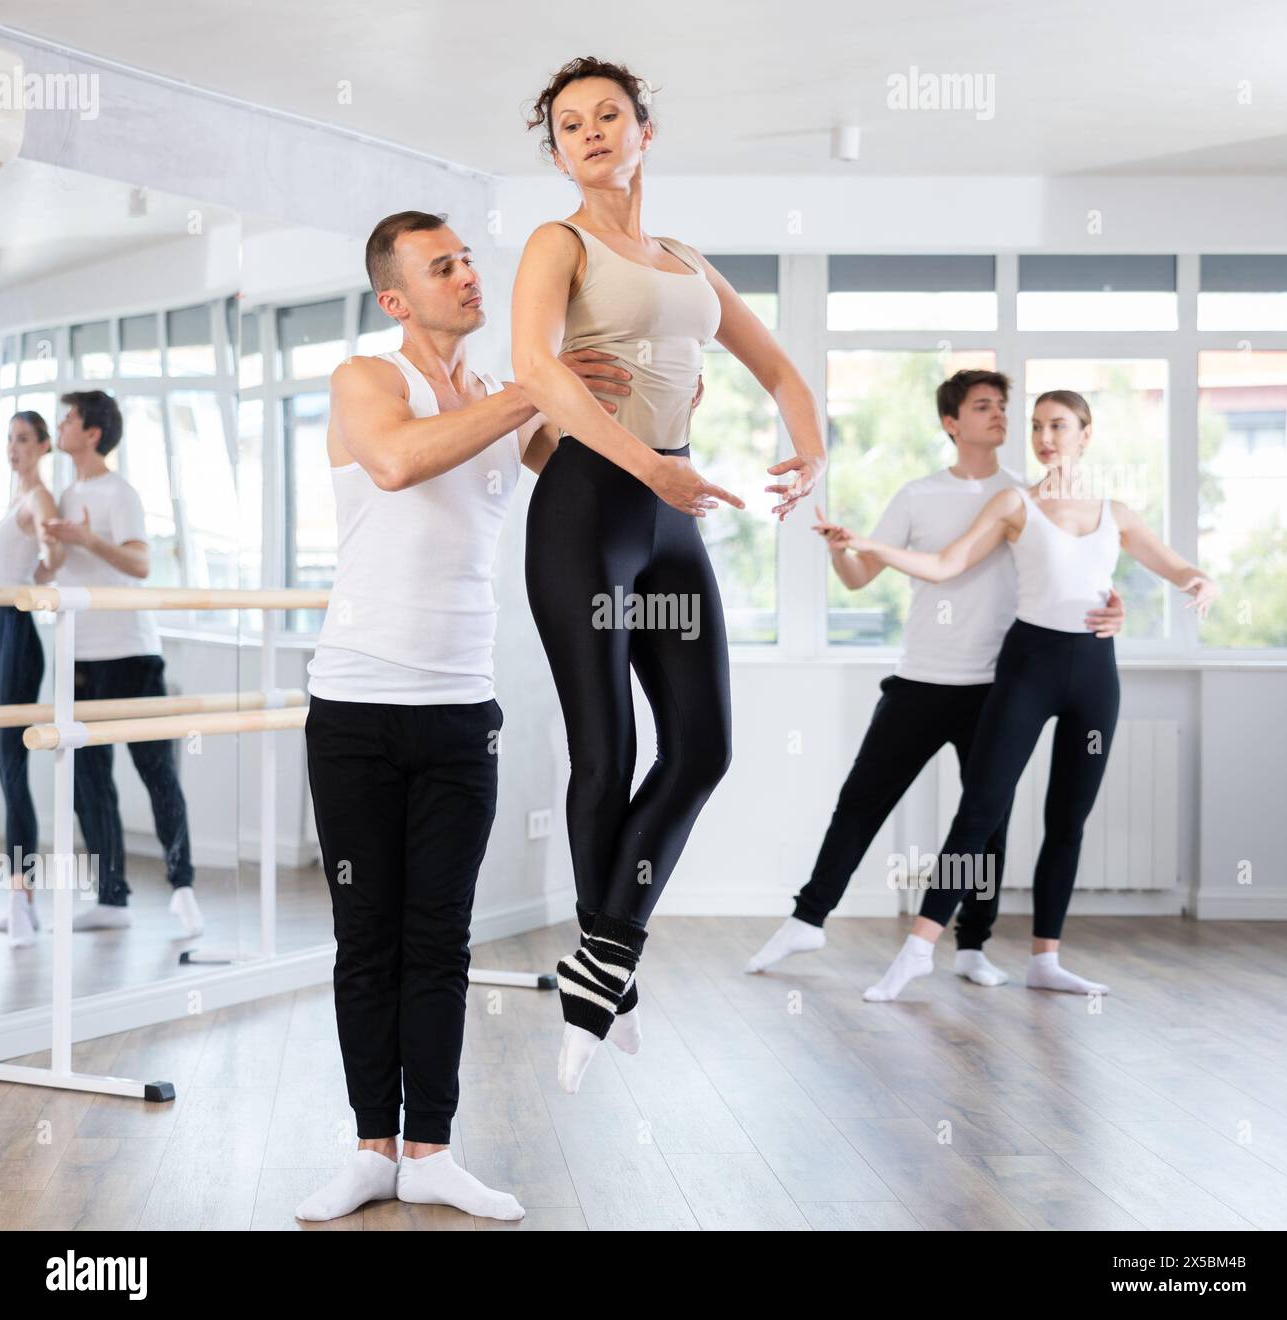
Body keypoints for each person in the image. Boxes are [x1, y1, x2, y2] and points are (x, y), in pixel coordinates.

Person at [296, 209, 657, 1223]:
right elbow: (400, 462)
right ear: (395, 298)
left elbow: (606, 459)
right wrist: (536, 390)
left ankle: (431, 1151)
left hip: (462, 717)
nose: (467, 274)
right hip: (357, 710)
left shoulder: (507, 403)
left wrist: (654, 394)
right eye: (440, 266)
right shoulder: (369, 381)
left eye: (466, 258)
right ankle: (369, 1149)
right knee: (367, 936)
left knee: (441, 937)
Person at [512, 55, 827, 1093]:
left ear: (646, 131)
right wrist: (649, 461)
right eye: (570, 124)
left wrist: (809, 452)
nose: (592, 131)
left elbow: (778, 368)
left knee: (702, 749)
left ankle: (599, 963)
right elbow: (539, 370)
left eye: (610, 115)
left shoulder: (688, 261)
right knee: (606, 754)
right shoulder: (556, 243)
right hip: (589, 510)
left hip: (672, 516)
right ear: (556, 150)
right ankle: (607, 971)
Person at [745, 370, 1127, 985]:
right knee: (861, 801)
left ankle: (973, 944)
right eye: (984, 407)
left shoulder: (1027, 494)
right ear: (952, 423)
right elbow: (858, 578)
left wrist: (1113, 607)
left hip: (997, 685)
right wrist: (844, 546)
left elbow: (1078, 570)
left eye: (1006, 407)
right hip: (922, 679)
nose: (1001, 416)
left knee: (986, 822)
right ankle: (807, 920)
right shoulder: (918, 495)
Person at [847, 389, 1217, 999]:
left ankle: (1046, 959)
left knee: (1067, 819)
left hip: (1095, 674)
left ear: (1085, 434)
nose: (1046, 437)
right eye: (1038, 426)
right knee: (981, 810)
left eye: (1059, 426)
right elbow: (944, 564)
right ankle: (918, 949)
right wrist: (871, 547)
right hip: (1028, 668)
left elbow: (1176, 566)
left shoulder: (1117, 512)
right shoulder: (1014, 502)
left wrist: (1201, 581)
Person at [38, 392, 201, 935]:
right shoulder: (65, 491)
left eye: (68, 419)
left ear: (92, 432)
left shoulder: (120, 491)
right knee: (88, 779)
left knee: (156, 772)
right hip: (79, 658)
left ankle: (183, 889)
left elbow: (140, 563)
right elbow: (60, 570)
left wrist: (89, 537)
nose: (60, 426)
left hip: (130, 655)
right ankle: (112, 898)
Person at [0, 411, 57, 947]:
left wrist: (51, 553)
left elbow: (52, 550)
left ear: (42, 446)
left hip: (14, 632)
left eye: (22, 439)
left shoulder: (38, 496)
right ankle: (21, 896)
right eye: (9, 438)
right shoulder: (14, 497)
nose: (12, 447)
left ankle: (22, 895)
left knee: (12, 764)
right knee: (4, 764)